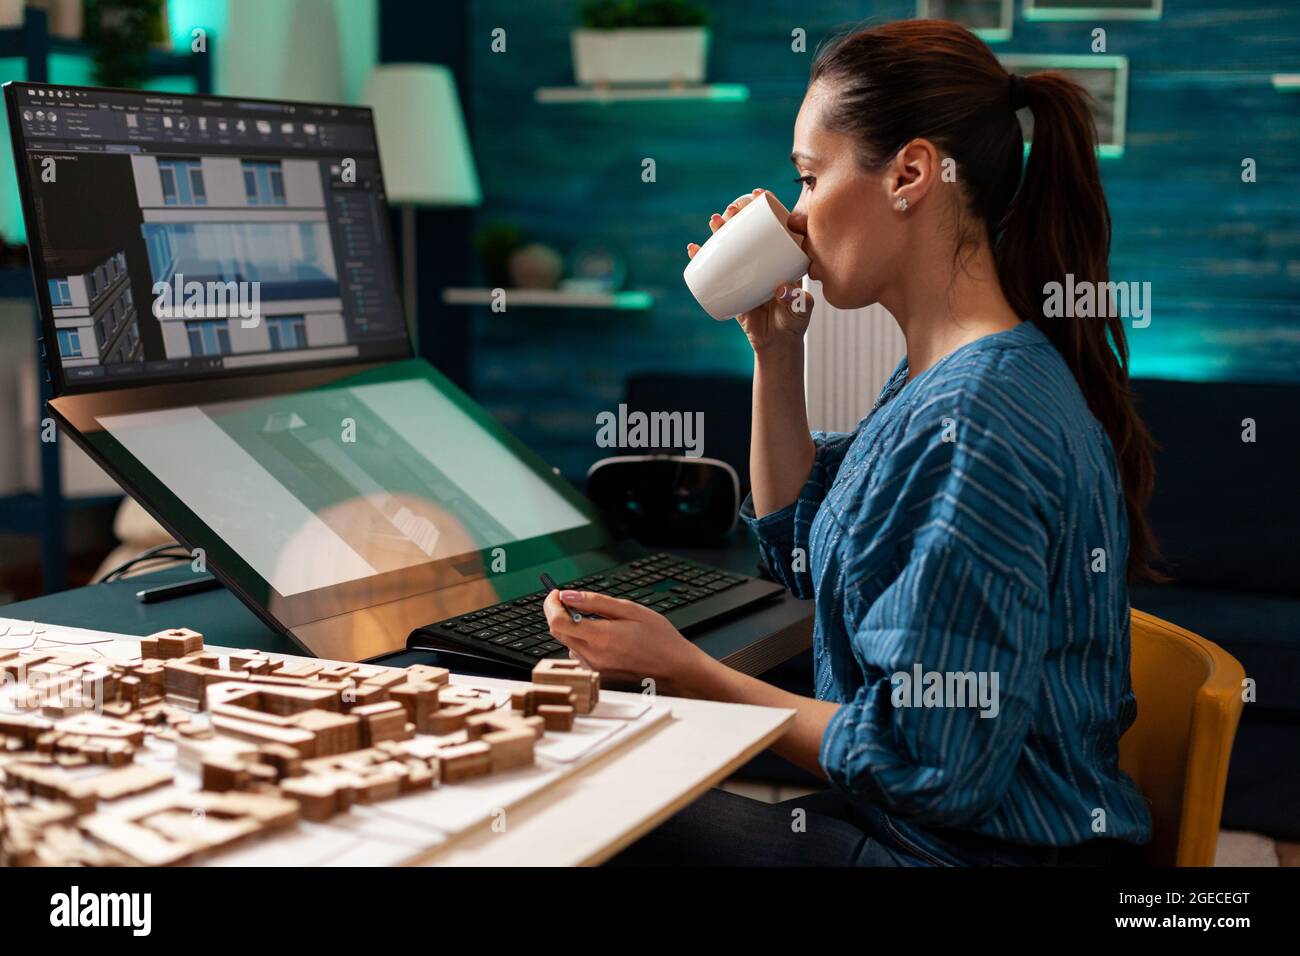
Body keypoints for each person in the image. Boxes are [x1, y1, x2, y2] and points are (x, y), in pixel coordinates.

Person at [542, 19, 1157, 866]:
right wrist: (776, 351)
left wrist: (688, 671)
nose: (794, 217)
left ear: (908, 174)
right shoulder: (939, 378)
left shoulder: (974, 419)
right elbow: (807, 552)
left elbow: (933, 759)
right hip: (917, 831)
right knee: (606, 786)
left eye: (807, 177)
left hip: (958, 852)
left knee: (583, 813)